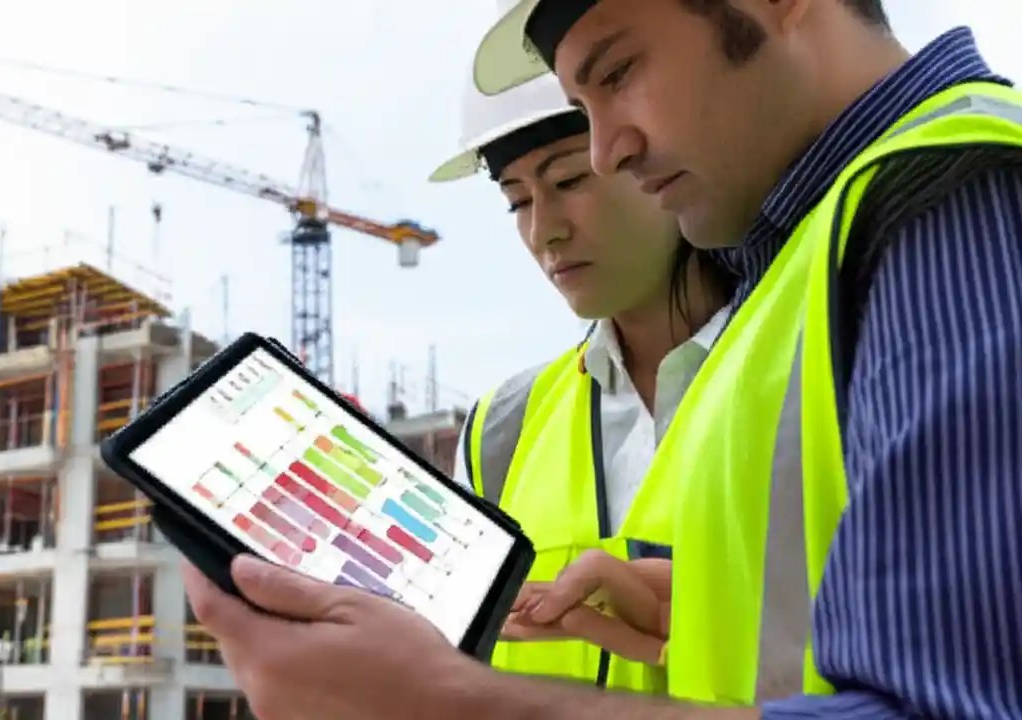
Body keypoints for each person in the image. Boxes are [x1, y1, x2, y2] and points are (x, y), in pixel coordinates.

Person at [173, 1, 1022, 718]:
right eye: (517, 198)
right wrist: (697, 607)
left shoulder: (950, 194)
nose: (612, 147)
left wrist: (445, 701)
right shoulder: (809, 272)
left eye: (618, 73)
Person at [429, 45, 732, 686]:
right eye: (517, 201)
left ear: (652, 157)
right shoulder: (501, 430)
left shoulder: (808, 363)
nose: (544, 231)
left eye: (568, 181)